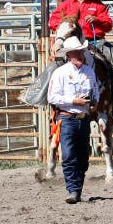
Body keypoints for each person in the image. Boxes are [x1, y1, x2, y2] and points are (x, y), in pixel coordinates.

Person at [47, 36, 100, 204]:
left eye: (81, 51)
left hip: (84, 119)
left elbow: (96, 91)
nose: (80, 54)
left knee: (83, 158)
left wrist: (95, 103)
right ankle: (73, 191)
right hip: (67, 118)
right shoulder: (60, 73)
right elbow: (52, 97)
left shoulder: (89, 72)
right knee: (69, 156)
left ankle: (76, 190)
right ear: (69, 55)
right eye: (76, 52)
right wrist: (74, 101)